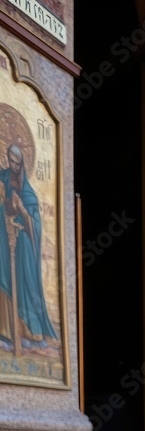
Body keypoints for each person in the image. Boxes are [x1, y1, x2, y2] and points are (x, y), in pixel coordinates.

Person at [0, 143, 57, 350]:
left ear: (23, 162)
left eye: (18, 163)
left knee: (27, 284)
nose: (14, 166)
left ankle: (31, 332)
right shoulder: (3, 177)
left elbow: (35, 223)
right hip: (4, 241)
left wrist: (22, 209)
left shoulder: (27, 190)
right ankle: (8, 332)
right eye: (11, 162)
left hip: (23, 243)